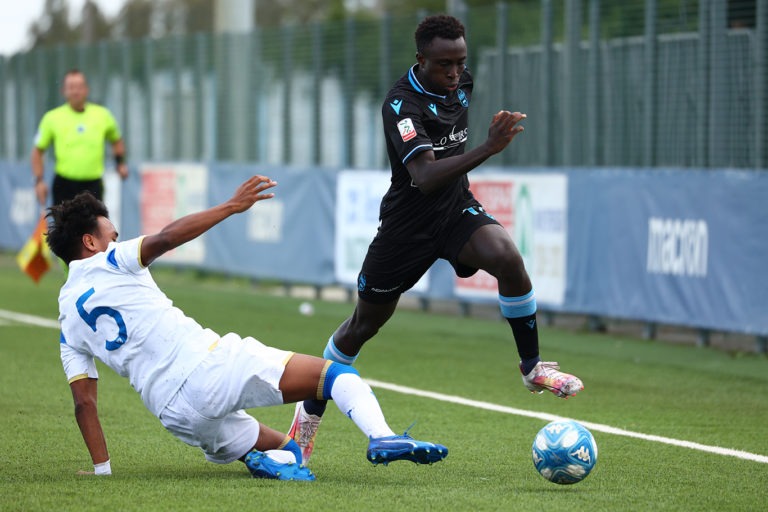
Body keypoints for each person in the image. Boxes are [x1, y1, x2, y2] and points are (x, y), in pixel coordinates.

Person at [290, 14, 583, 464]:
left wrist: (480, 147)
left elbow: (446, 170)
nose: (454, 74)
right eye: (444, 64)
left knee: (506, 257)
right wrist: (487, 147)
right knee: (361, 327)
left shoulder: (462, 81)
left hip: (454, 212)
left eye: (460, 62)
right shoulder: (400, 105)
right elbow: (424, 175)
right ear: (420, 59)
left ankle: (531, 368)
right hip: (407, 227)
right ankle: (306, 420)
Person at [46, 175, 447, 481]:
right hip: (207, 367)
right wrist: (232, 206)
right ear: (91, 242)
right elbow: (167, 238)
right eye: (111, 235)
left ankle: (268, 460)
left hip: (174, 414)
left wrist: (101, 471)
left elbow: (84, 403)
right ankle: (381, 436)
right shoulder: (113, 261)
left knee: (291, 453)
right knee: (336, 375)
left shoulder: (68, 321)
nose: (117, 239)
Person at [32, 69, 128, 208]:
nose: (76, 91)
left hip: (93, 185)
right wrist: (39, 181)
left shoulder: (102, 115)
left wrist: (120, 163)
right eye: (71, 87)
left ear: (86, 89)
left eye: (79, 87)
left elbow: (116, 139)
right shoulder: (52, 118)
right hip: (64, 185)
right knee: (63, 229)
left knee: (93, 228)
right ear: (63, 91)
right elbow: (37, 151)